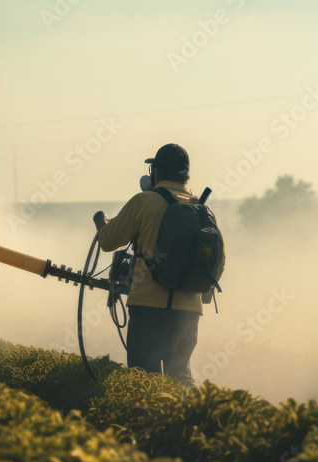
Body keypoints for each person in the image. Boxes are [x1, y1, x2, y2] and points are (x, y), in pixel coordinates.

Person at [94, 144, 224, 385]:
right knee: (180, 377)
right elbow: (219, 262)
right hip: (189, 311)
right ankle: (188, 421)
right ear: (186, 175)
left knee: (144, 380)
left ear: (156, 173)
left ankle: (147, 423)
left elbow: (108, 241)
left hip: (148, 308)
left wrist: (101, 223)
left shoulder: (144, 201)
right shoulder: (203, 210)